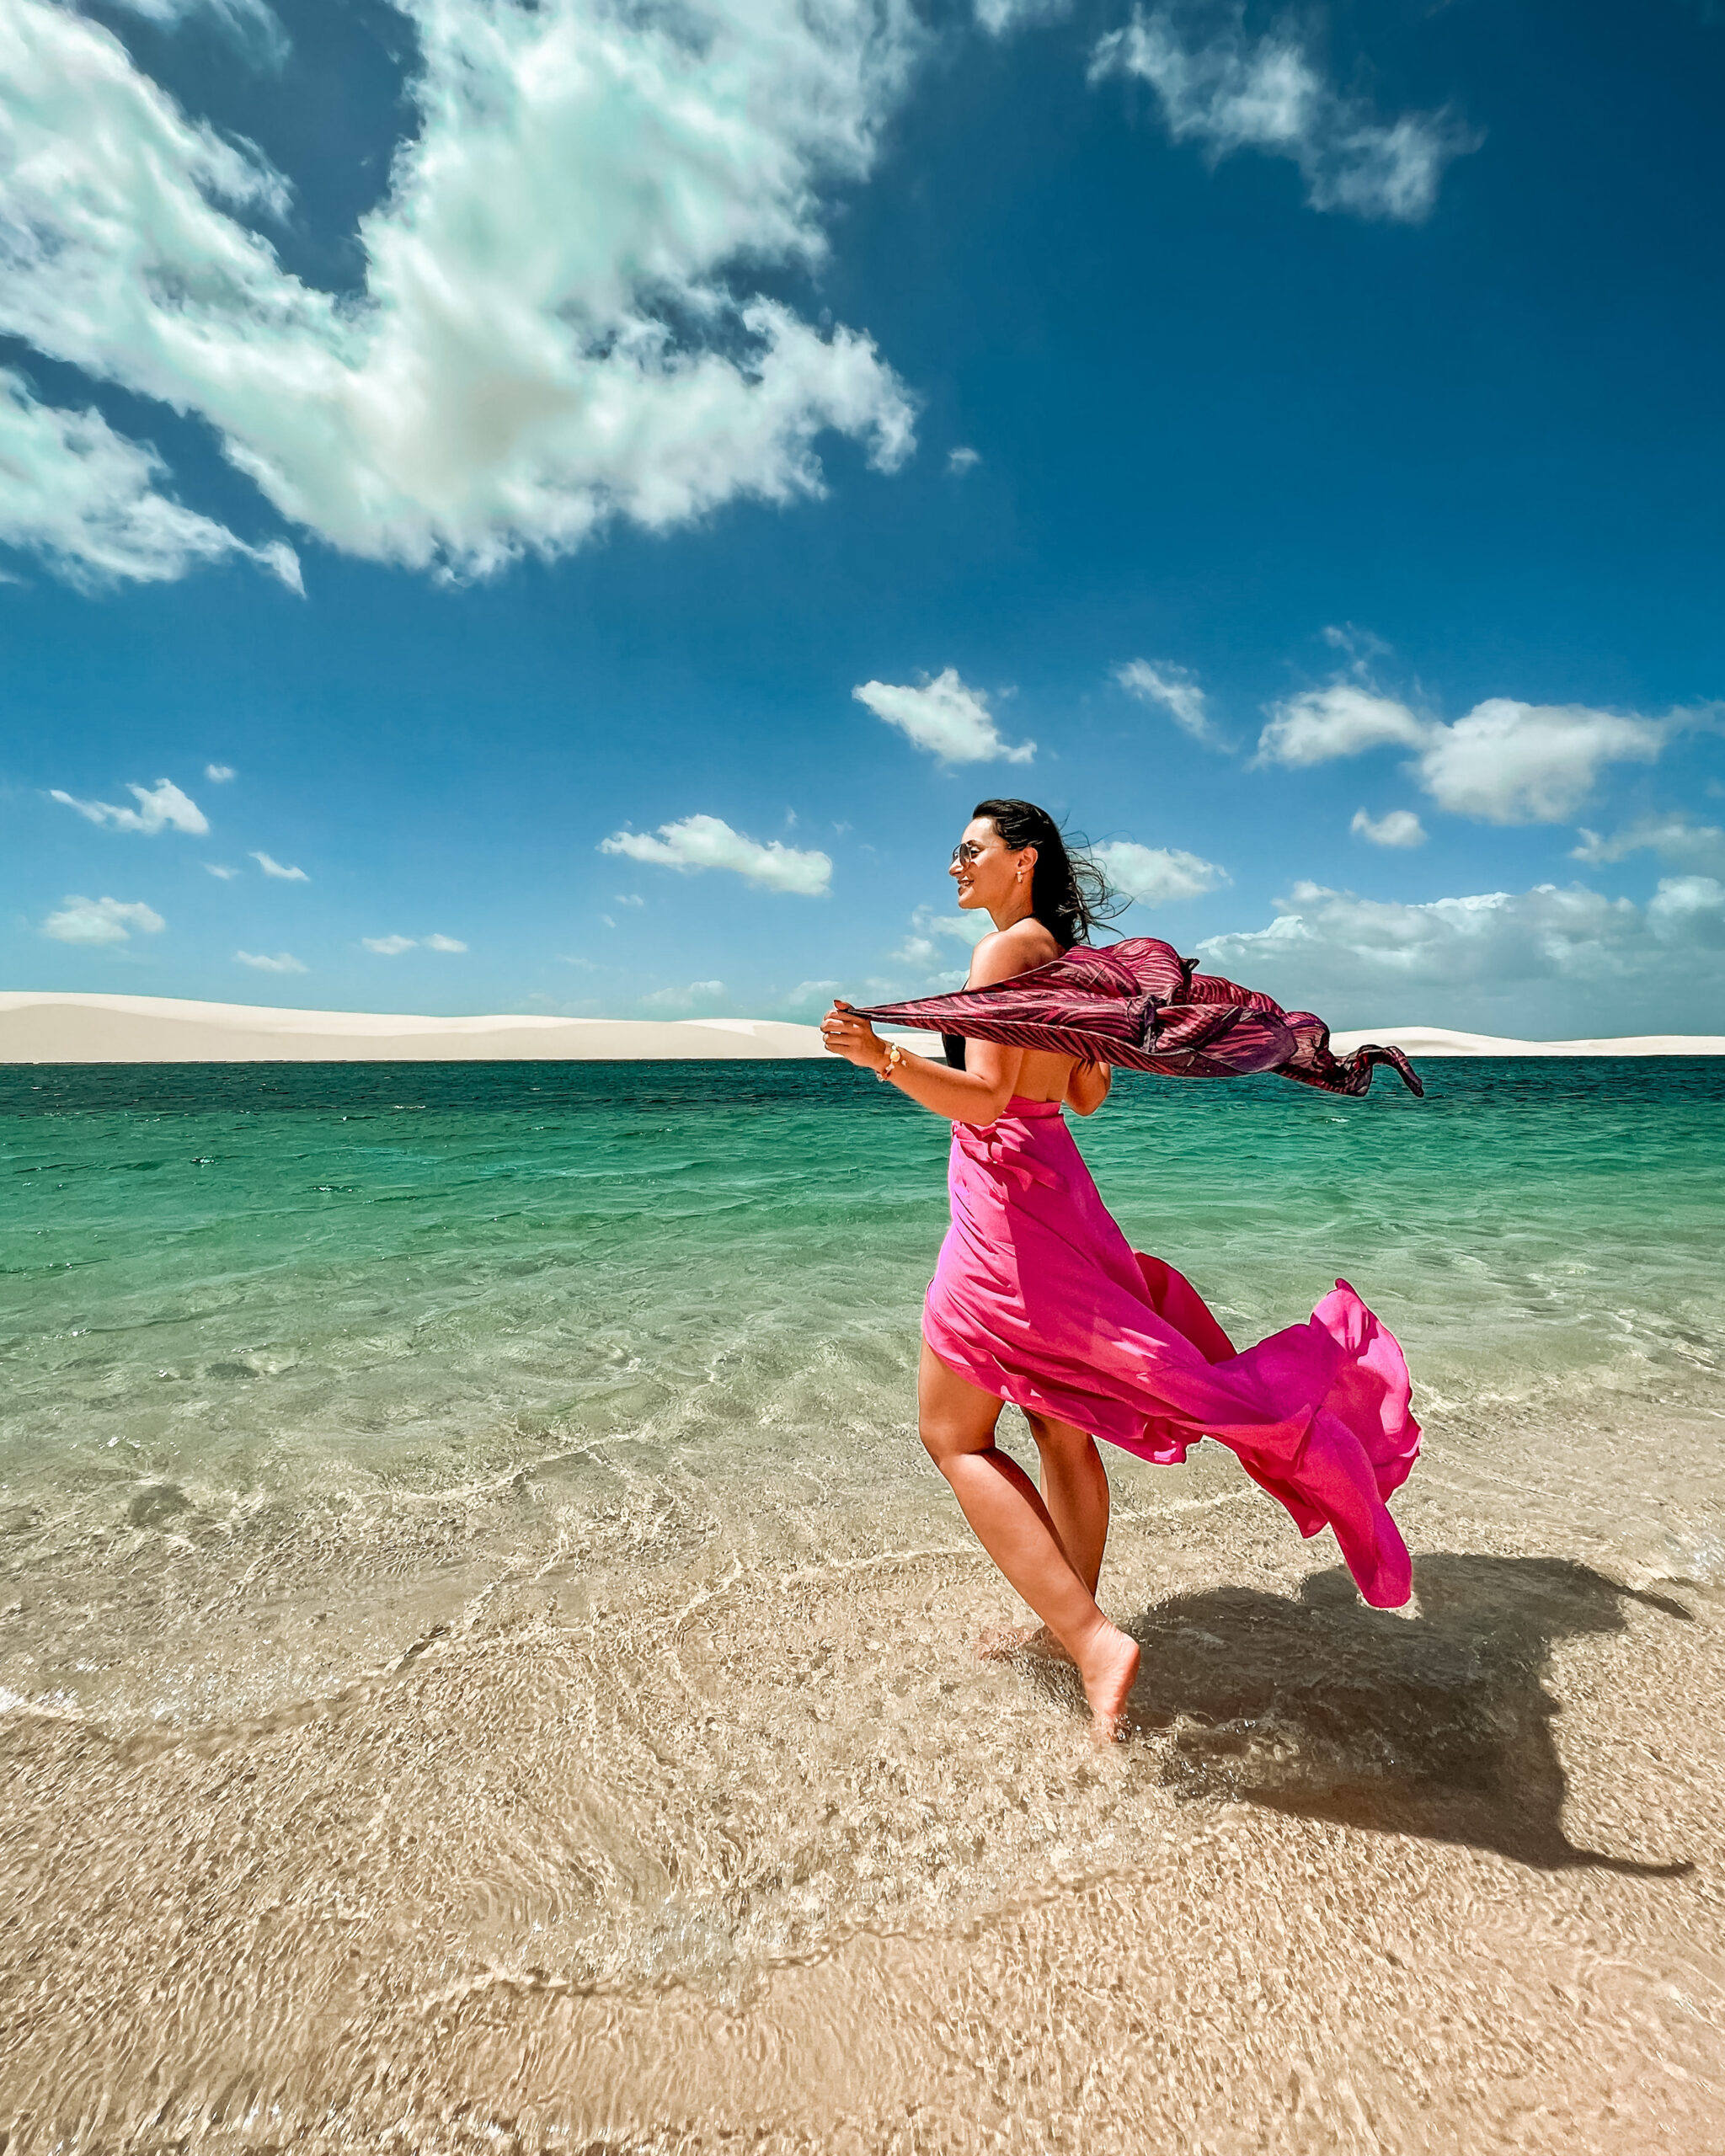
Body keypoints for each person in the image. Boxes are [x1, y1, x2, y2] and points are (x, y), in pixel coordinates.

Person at [820, 798, 1419, 1741]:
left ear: (1023, 861)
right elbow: (1087, 1094)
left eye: (970, 850)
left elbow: (984, 1100)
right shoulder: (1071, 965)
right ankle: (1072, 1627)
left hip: (1004, 1206)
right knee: (1057, 1428)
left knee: (952, 1435)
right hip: (1058, 1191)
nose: (954, 865)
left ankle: (1092, 1639)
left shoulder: (1000, 955)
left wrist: (881, 1055)